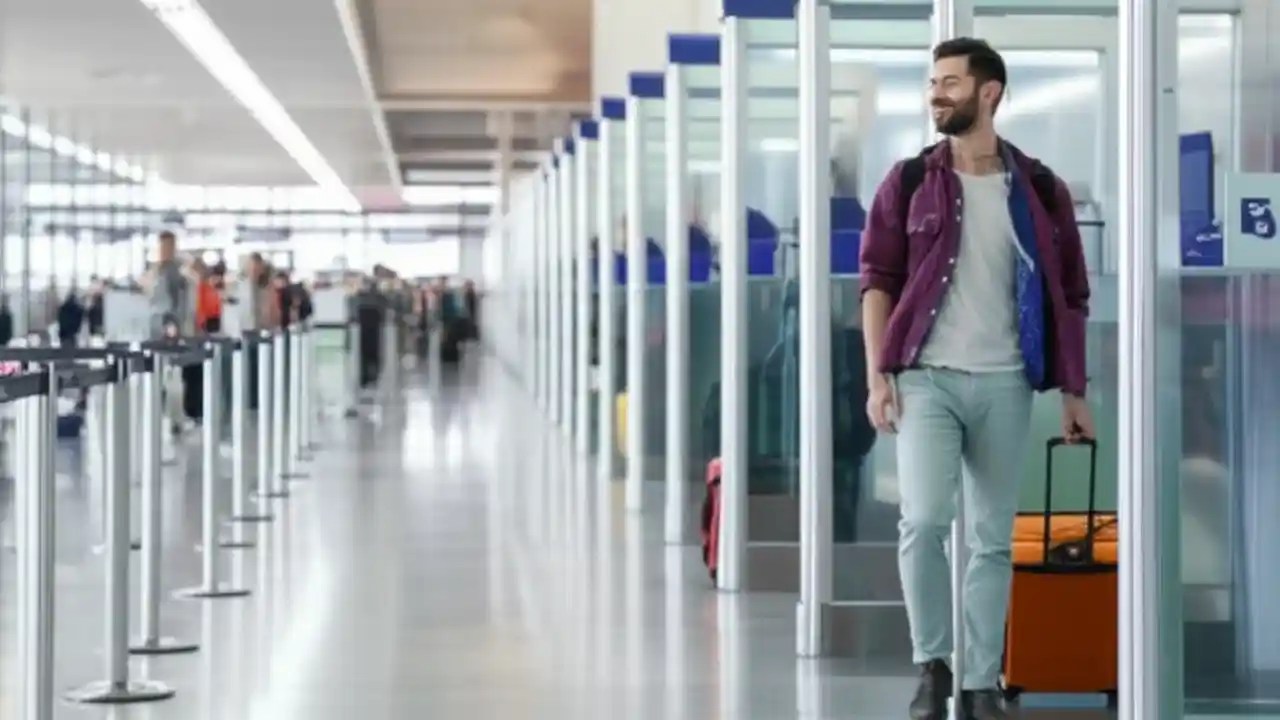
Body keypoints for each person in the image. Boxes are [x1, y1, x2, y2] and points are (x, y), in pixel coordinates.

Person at [858, 38, 1094, 720]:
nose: (937, 94)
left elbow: (1071, 296)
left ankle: (983, 681)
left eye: (950, 83)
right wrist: (881, 376)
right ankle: (933, 665)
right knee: (925, 519)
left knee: (993, 537)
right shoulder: (907, 183)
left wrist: (1073, 393)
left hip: (1006, 383)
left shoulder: (1042, 189)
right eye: (933, 82)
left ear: (989, 92)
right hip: (927, 379)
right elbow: (877, 283)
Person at [142, 231, 192, 338]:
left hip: (171, 325)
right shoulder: (156, 271)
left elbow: (180, 303)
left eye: (169, 246)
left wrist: (175, 324)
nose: (165, 250)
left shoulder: (177, 273)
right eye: (163, 246)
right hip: (155, 323)